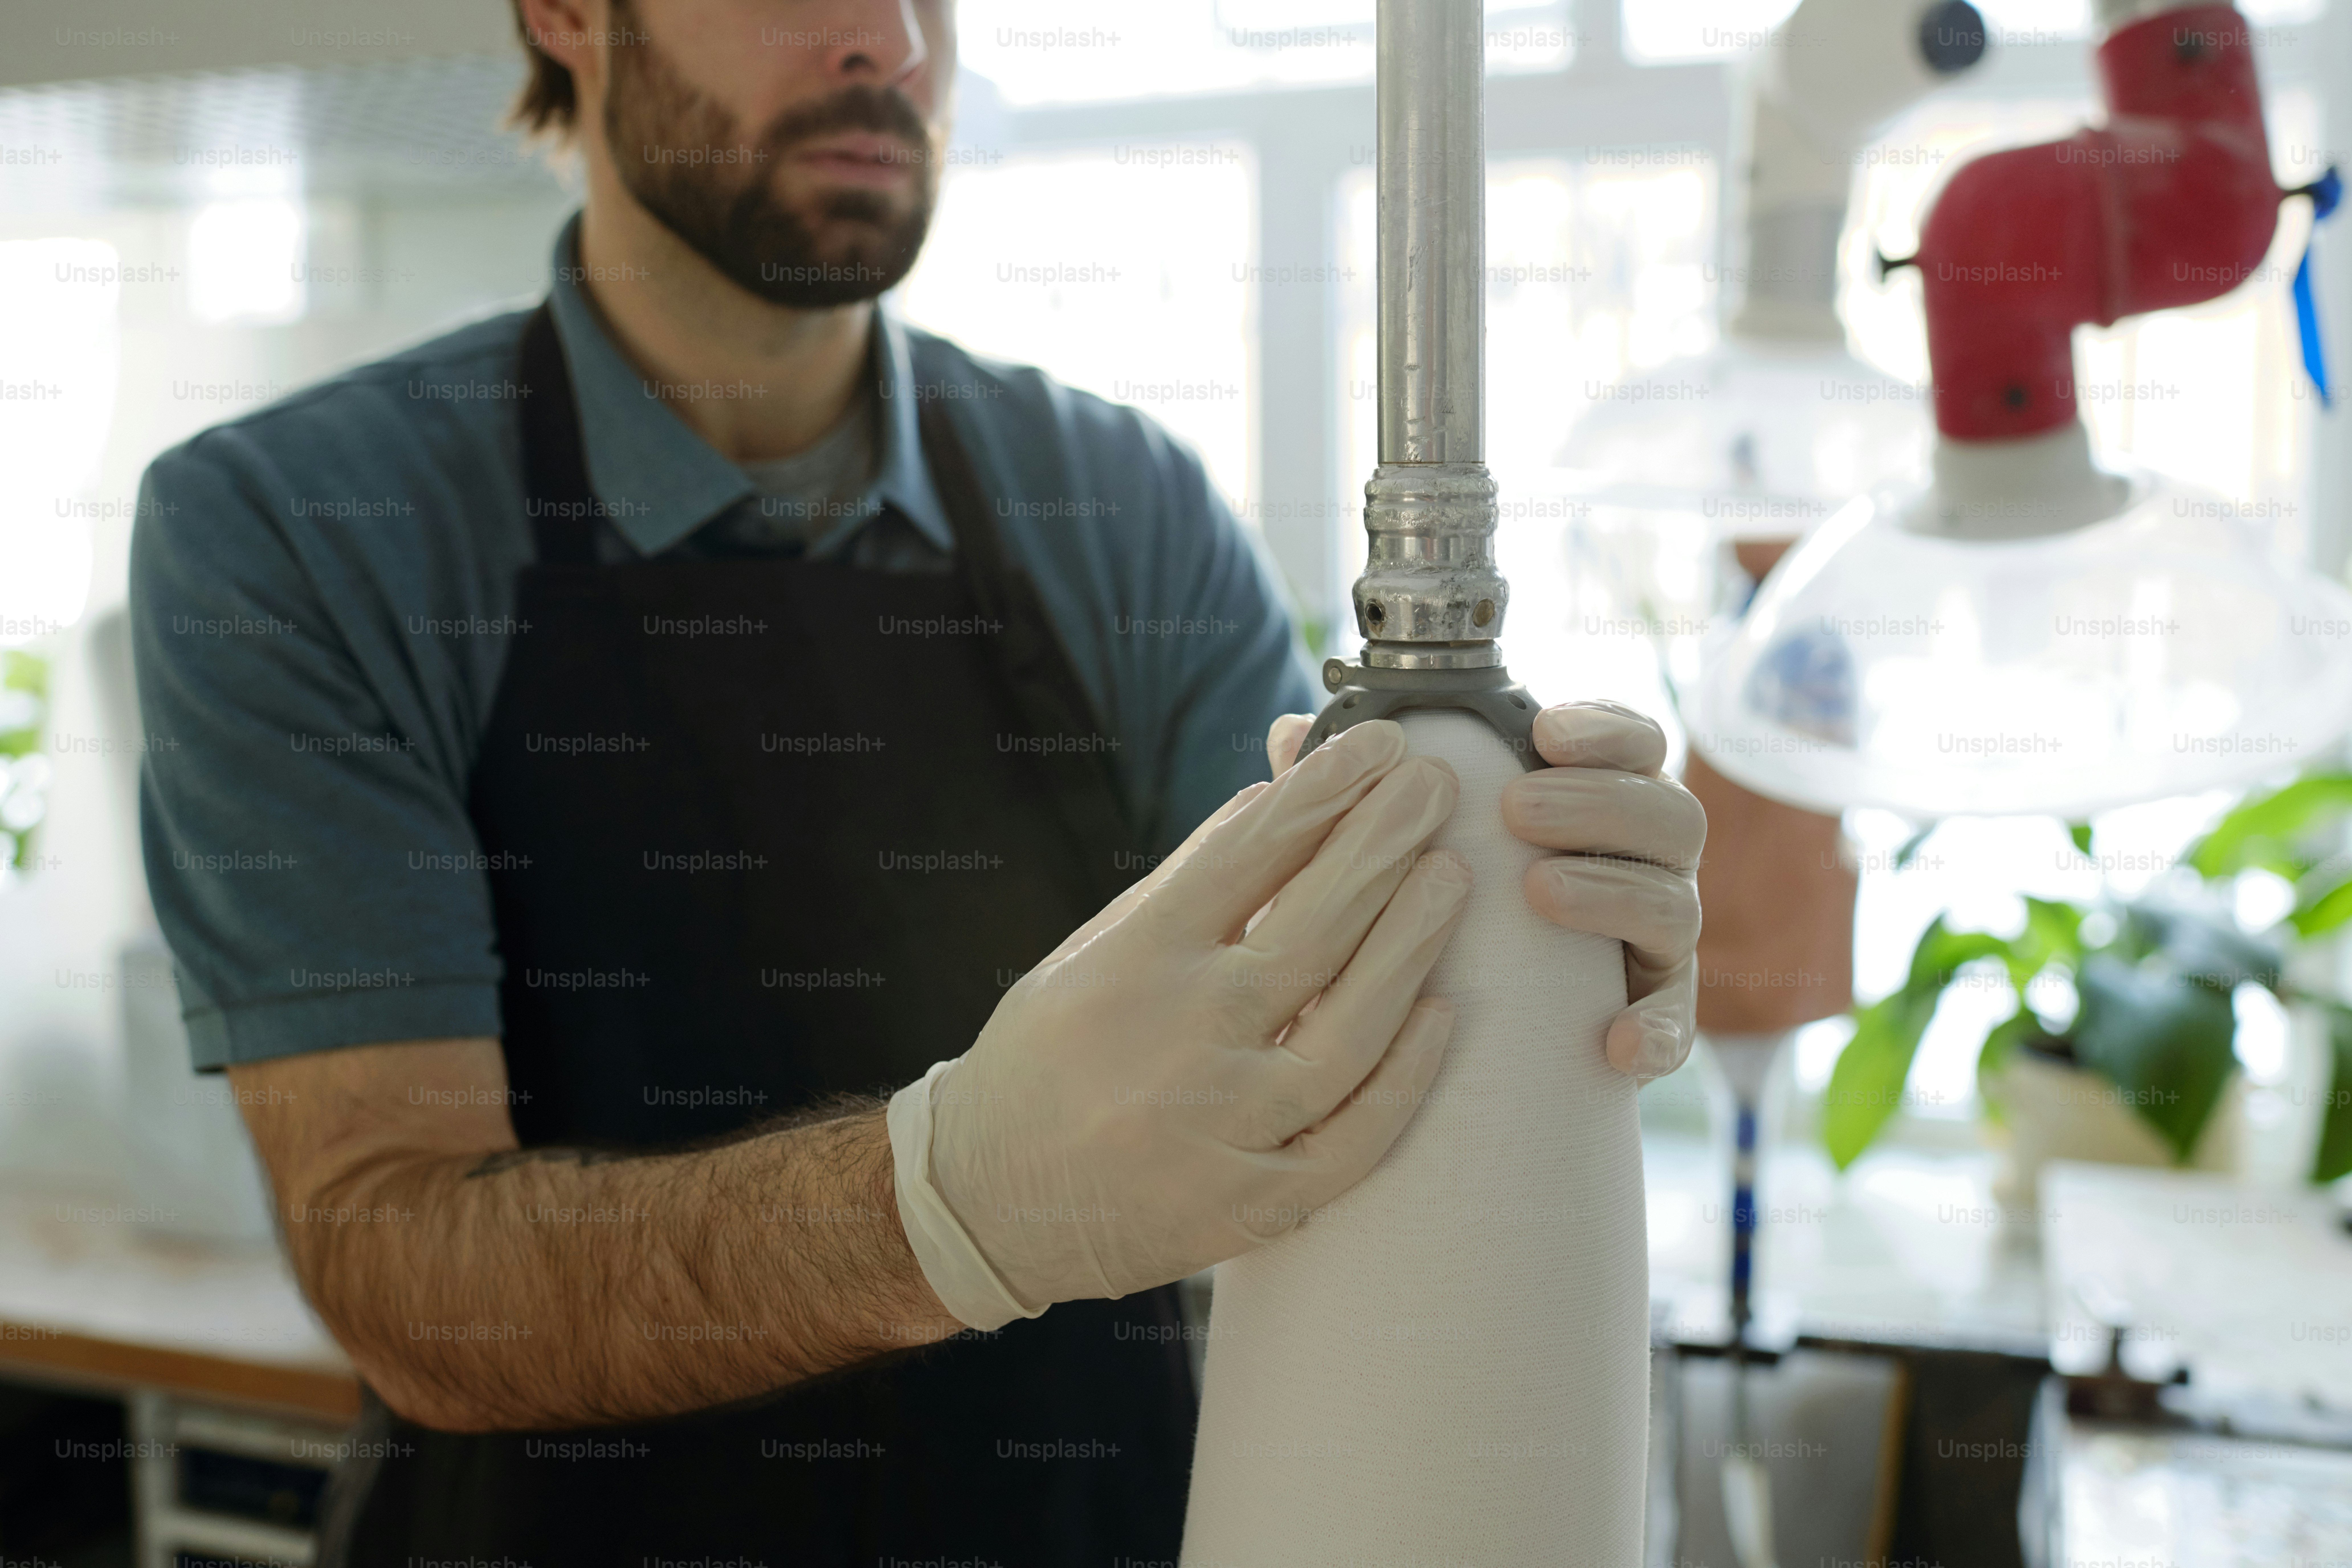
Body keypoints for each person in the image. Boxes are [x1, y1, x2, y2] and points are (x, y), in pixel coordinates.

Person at [127, 0, 1705, 1560]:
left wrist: (1519, 936)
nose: (888, 41)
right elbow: (404, 1267)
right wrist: (950, 1207)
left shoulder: (1119, 510)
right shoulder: (302, 531)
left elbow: (1330, 1042)